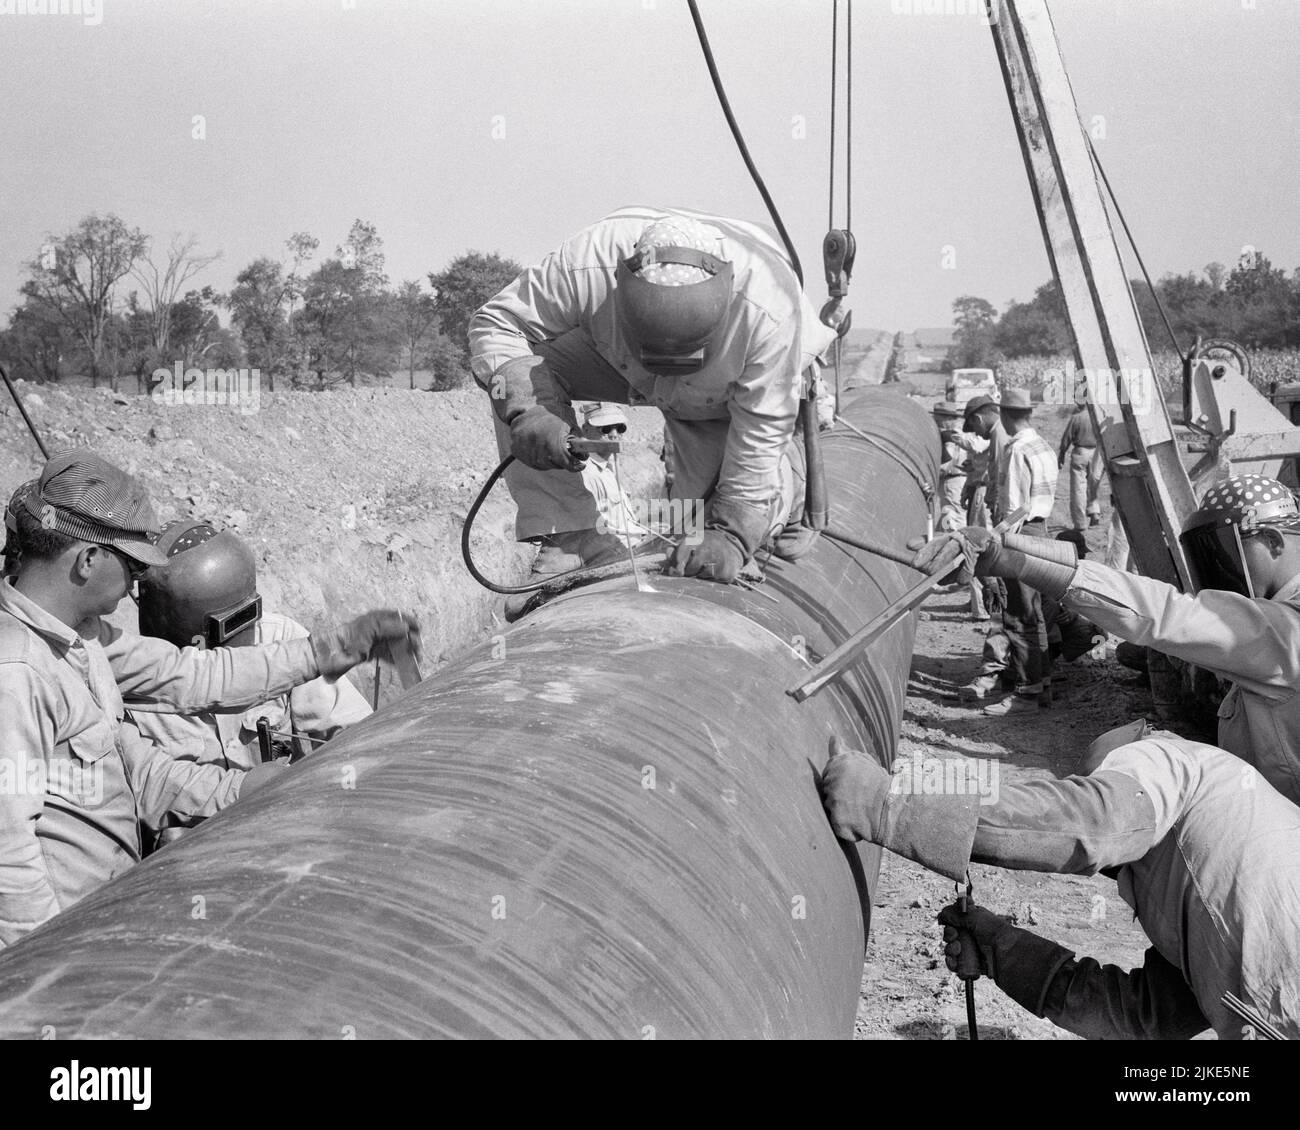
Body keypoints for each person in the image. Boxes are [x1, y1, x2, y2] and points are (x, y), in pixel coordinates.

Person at [0, 451, 420, 945]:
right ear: (88, 560)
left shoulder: (83, 638)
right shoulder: (17, 674)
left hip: (109, 910)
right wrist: (44, 978)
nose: (137, 581)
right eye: (133, 563)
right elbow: (10, 860)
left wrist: (239, 791)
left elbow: (184, 690)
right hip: (64, 942)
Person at [468, 207, 837, 618]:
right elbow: (497, 322)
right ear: (620, 290)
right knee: (522, 365)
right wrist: (531, 409)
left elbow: (760, 433)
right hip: (617, 361)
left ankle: (787, 489)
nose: (669, 366)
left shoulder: (767, 312)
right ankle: (575, 537)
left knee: (698, 540)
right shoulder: (587, 265)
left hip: (722, 395)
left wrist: (733, 534)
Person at [821, 725, 1300, 1040]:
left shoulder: (1172, 762)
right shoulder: (1207, 877)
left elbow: (1095, 821)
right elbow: (1145, 1017)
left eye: (1097, 777)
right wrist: (1001, 950)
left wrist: (892, 806)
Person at [912, 473, 1300, 805]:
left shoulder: (1285, 630)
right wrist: (1010, 551)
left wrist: (1009, 561)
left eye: (1227, 553)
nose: (1221, 568)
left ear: (1273, 541)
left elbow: (1162, 612)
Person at [129, 519, 374, 771]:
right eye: (223, 631)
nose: (238, 644)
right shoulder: (136, 686)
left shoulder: (280, 637)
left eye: (244, 618)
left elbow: (354, 732)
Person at [972, 388, 1059, 716]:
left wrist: (994, 539)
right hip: (1042, 531)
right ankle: (1043, 684)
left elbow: (1014, 507)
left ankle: (1025, 695)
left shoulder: (1015, 449)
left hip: (1020, 534)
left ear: (1005, 416)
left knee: (1018, 616)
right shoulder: (1043, 445)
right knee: (1036, 614)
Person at [934, 401, 986, 621]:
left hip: (955, 483)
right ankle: (975, 601)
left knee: (963, 540)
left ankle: (980, 605)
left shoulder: (957, 437)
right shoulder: (954, 436)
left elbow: (955, 463)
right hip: (957, 485)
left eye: (939, 418)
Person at [1058, 401, 1101, 531]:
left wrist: (1062, 453)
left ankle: (1080, 523)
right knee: (1093, 485)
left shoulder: (1077, 417)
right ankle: (1095, 512)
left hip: (1081, 453)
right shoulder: (1099, 415)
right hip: (1098, 453)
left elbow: (1067, 438)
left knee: (1078, 489)